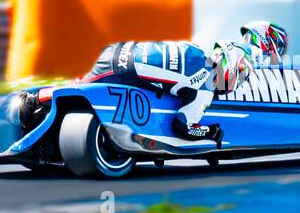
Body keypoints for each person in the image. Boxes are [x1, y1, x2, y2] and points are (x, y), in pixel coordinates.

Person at [84, 38, 257, 143]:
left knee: (71, 88)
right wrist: (212, 132)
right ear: (230, 65)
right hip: (120, 72)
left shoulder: (195, 48)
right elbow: (182, 127)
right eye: (241, 74)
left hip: (116, 49)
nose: (239, 81)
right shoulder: (205, 90)